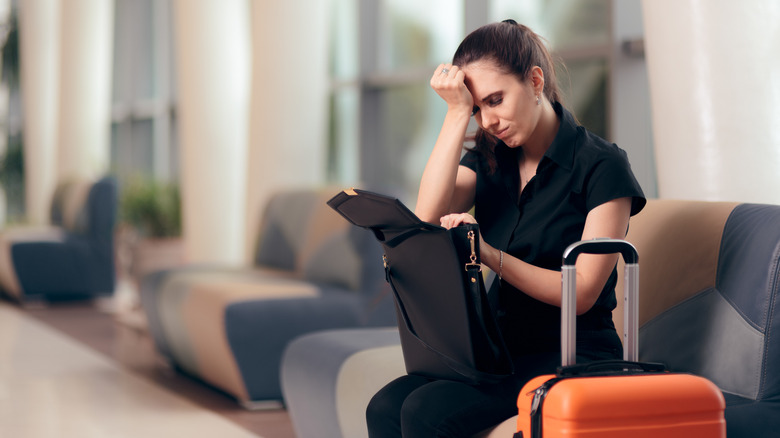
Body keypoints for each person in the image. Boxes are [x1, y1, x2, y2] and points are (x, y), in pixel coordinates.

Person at [366, 20, 646, 437]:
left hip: (571, 353)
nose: (489, 120)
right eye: (479, 108)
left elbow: (583, 293)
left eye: (496, 100)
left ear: (535, 81)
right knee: (384, 407)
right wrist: (456, 113)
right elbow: (426, 218)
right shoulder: (491, 158)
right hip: (500, 350)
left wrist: (489, 253)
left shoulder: (601, 166)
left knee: (426, 412)